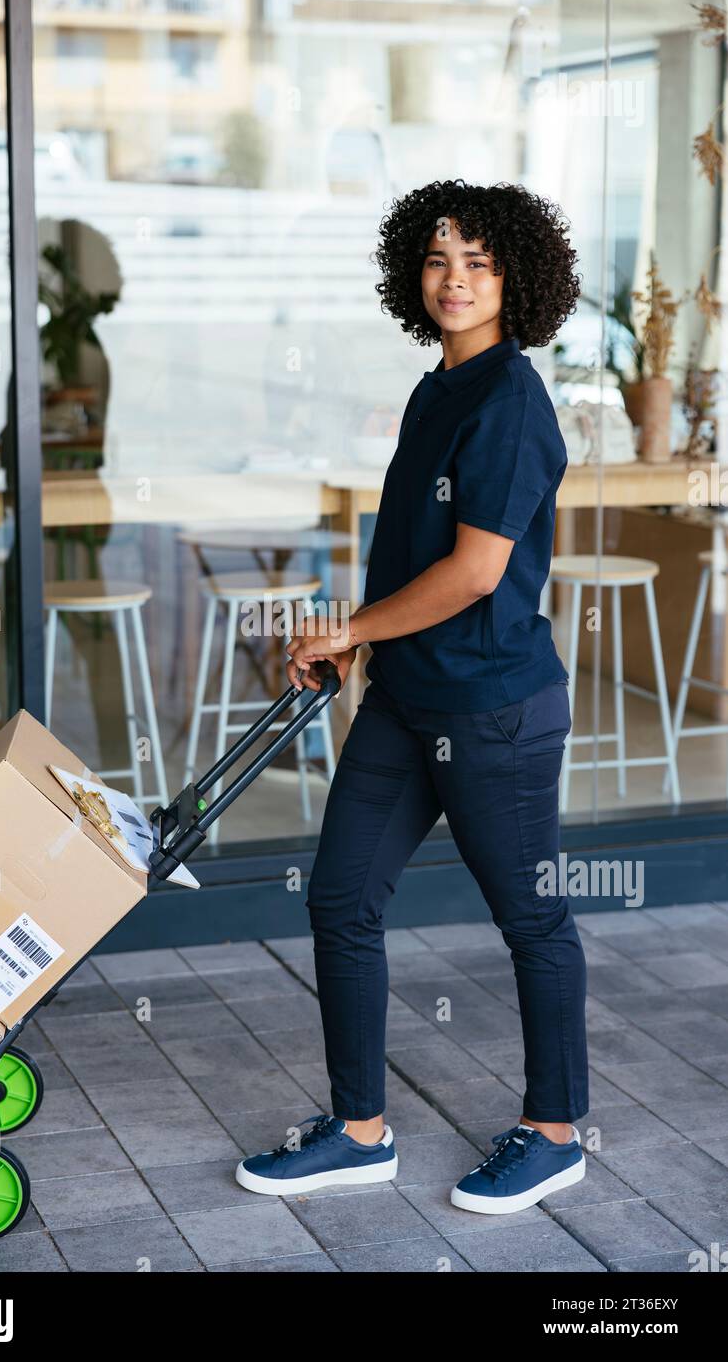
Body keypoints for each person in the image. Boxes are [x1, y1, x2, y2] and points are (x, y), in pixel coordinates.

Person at [234, 178, 589, 1214]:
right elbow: (415, 552)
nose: (455, 280)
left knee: (530, 920)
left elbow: (476, 571)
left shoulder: (512, 403)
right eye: (438, 260)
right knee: (340, 899)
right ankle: (356, 1131)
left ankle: (556, 1130)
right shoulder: (437, 387)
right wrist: (364, 642)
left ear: (514, 277)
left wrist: (349, 626)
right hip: (404, 697)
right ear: (411, 273)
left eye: (478, 262)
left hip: (490, 706)